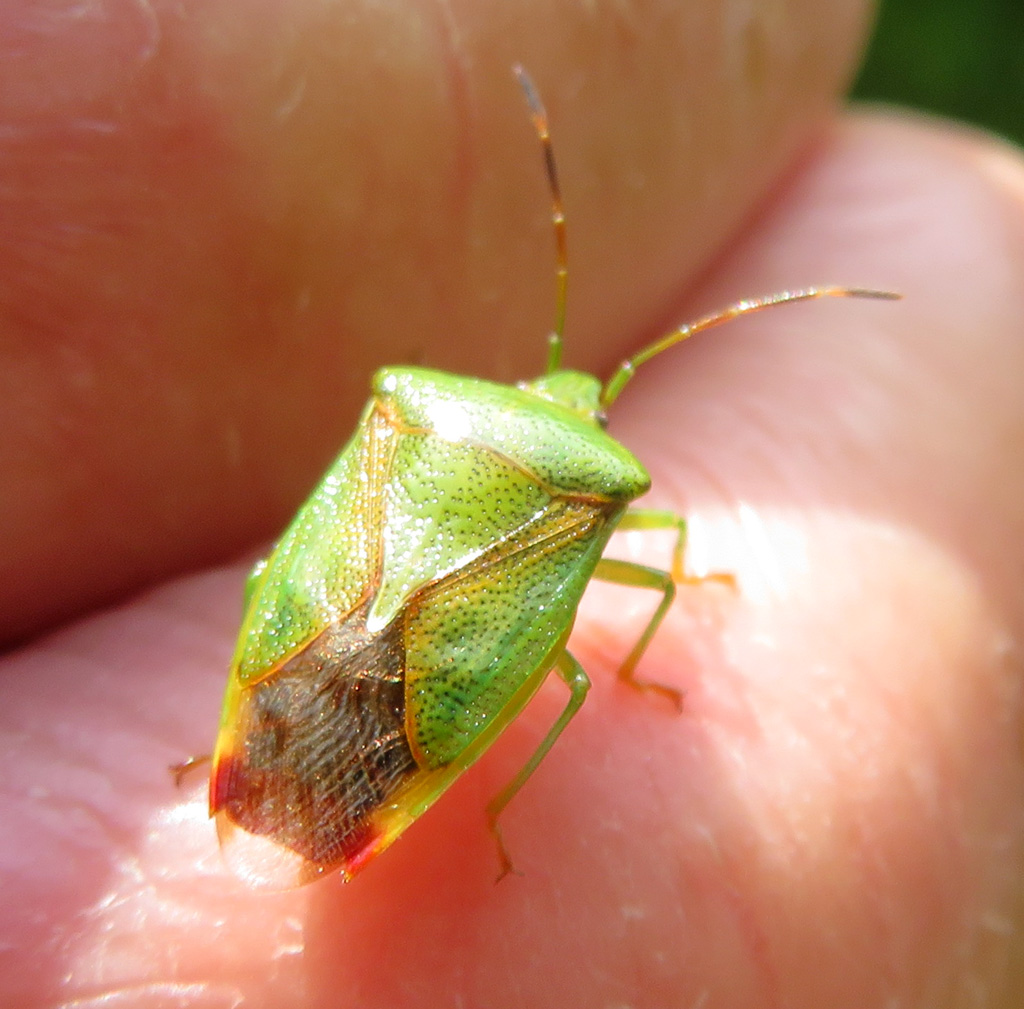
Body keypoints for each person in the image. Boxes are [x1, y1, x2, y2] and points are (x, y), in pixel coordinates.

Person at [1, 1, 1022, 1005]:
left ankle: (241, 749)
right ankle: (394, 799)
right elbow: (637, 606)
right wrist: (632, 669)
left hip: (318, 627)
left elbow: (276, 567)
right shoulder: (552, 478)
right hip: (434, 693)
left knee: (275, 575)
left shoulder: (409, 412)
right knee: (585, 672)